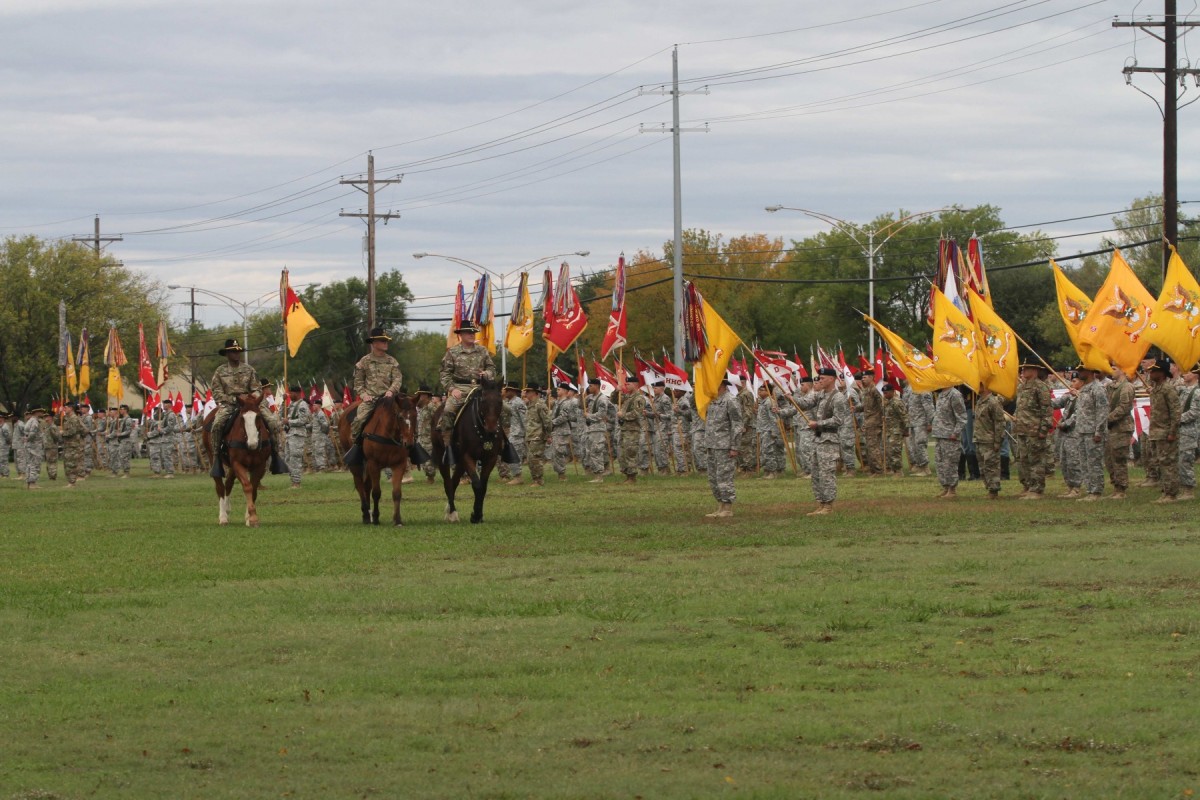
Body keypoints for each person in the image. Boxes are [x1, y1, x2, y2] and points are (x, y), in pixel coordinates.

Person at [210, 338, 285, 473]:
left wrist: (250, 398)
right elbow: (216, 392)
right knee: (217, 424)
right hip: (230, 405)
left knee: (273, 422)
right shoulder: (219, 371)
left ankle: (275, 454)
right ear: (227, 354)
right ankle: (216, 457)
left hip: (252, 403)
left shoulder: (249, 369)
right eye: (233, 352)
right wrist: (235, 399)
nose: (236, 354)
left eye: (238, 351)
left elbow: (257, 388)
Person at [438, 322, 497, 459]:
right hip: (461, 388)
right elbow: (444, 374)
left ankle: (504, 443)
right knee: (447, 410)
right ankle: (448, 446)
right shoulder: (452, 352)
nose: (472, 334)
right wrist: (452, 389)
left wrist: (487, 374)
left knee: (504, 408)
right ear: (461, 335)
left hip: (481, 388)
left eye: (473, 332)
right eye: (468, 332)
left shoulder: (482, 350)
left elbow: (492, 368)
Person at [345, 328, 403, 465]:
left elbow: (398, 379)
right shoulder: (363, 362)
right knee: (358, 420)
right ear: (374, 343)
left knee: (406, 419)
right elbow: (358, 383)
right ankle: (357, 447)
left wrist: (391, 391)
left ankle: (410, 447)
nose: (385, 343)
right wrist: (364, 395)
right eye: (382, 341)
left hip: (389, 398)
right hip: (371, 399)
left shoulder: (392, 361)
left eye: (386, 341)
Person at [808, 367, 849, 516]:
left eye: (823, 378)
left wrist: (818, 424)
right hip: (818, 439)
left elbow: (838, 420)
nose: (820, 380)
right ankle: (821, 503)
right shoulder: (820, 395)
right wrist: (790, 398)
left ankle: (828, 506)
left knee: (826, 474)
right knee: (816, 473)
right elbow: (806, 403)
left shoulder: (838, 397)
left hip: (829, 440)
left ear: (832, 379)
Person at [703, 379, 743, 518]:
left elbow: (737, 424)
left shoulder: (730, 400)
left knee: (724, 477)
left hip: (725, 446)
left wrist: (734, 446)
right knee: (713, 478)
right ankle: (720, 506)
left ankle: (727, 508)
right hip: (712, 444)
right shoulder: (713, 401)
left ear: (722, 385)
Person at [1013, 361, 1053, 499]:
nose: (1023, 371)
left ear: (1034, 370)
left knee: (1036, 459)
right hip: (1022, 429)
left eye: (1026, 368)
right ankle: (1028, 485)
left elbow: (1047, 410)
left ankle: (1037, 489)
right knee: (1023, 459)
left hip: (1034, 429)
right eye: (1022, 369)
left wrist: (1043, 430)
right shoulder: (1021, 387)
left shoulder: (1040, 387)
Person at [1146, 358, 1181, 503]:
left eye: (1154, 371)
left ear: (1162, 373)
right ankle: (1165, 490)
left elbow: (1175, 412)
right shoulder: (1156, 389)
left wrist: (1172, 432)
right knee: (1160, 462)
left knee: (1168, 463)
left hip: (1166, 432)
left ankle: (1171, 494)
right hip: (1157, 432)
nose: (1150, 373)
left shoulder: (1167, 389)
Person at [1074, 365, 1109, 502]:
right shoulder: (1083, 389)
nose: (1079, 373)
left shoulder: (1097, 388)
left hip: (1092, 432)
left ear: (1090, 371)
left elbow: (1102, 411)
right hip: (1082, 431)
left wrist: (1098, 431)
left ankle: (1096, 491)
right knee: (1084, 463)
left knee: (1094, 463)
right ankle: (1089, 489)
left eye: (1082, 370)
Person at [1104, 363, 1135, 499]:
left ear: (1123, 370)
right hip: (1111, 427)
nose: (1111, 371)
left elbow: (1123, 407)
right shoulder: (1111, 387)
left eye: (1115, 368)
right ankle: (1115, 485)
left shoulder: (1127, 387)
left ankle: (1121, 489)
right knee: (1109, 459)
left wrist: (1107, 419)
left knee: (1119, 458)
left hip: (1122, 427)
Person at [931, 386, 967, 498]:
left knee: (950, 463)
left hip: (950, 435)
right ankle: (945, 487)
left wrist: (955, 432)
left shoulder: (954, 394)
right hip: (939, 434)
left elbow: (961, 417)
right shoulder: (941, 394)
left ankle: (952, 490)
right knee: (940, 463)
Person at [973, 383, 1006, 499]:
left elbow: (999, 422)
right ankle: (989, 488)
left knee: (991, 466)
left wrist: (997, 441)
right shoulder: (980, 401)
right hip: (980, 439)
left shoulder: (993, 402)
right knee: (983, 467)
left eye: (980, 384)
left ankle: (994, 491)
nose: (977, 386)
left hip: (990, 440)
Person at [616, 374, 647, 484]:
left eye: (628, 384)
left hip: (632, 430)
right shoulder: (627, 397)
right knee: (621, 453)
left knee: (630, 452)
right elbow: (614, 399)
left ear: (635, 384)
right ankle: (627, 474)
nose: (626, 386)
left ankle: (632, 477)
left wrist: (623, 415)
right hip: (624, 429)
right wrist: (616, 391)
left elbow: (636, 413)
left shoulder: (639, 398)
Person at [582, 378, 613, 482]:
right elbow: (580, 405)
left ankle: (599, 476)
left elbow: (602, 414)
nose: (589, 387)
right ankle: (596, 474)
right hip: (591, 429)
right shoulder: (590, 397)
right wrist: (582, 396)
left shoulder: (602, 399)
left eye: (591, 386)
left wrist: (589, 416)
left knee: (596, 451)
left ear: (596, 386)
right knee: (591, 452)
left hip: (598, 429)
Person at [1177, 366, 1200, 500]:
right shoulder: (1184, 390)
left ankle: (1188, 490)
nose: (1184, 374)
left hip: (1189, 431)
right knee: (1179, 460)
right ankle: (1182, 486)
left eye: (1189, 372)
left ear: (1196, 375)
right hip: (1180, 430)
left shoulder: (1197, 392)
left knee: (1186, 460)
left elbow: (1195, 412)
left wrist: (1177, 419)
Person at [903, 381, 934, 476]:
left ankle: (926, 468)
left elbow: (928, 407)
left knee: (920, 444)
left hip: (921, 422)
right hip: (912, 422)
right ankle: (920, 466)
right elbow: (906, 404)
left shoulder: (923, 387)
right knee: (913, 445)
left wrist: (930, 422)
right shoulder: (910, 388)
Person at [856, 366, 884, 475]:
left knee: (873, 447)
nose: (863, 379)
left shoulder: (875, 389)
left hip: (874, 421)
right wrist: (857, 408)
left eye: (865, 377)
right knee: (868, 446)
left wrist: (882, 417)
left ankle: (878, 470)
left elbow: (882, 404)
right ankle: (873, 469)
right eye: (862, 377)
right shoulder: (866, 390)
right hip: (867, 421)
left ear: (872, 377)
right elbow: (867, 406)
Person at [755, 383, 786, 479]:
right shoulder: (763, 402)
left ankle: (772, 472)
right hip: (763, 430)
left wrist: (774, 432)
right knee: (764, 452)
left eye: (762, 390)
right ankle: (767, 471)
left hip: (769, 430)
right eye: (759, 389)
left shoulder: (769, 402)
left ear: (768, 392)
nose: (760, 391)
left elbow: (774, 418)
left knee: (769, 452)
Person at [499, 382, 526, 484]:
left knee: (515, 455)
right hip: (513, 432)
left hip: (518, 433)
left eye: (507, 390)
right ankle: (516, 476)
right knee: (512, 454)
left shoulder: (518, 402)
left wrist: (526, 433)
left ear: (513, 391)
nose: (505, 391)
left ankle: (518, 477)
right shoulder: (510, 402)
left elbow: (524, 419)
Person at [284, 384, 311, 488]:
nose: (290, 394)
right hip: (290, 434)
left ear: (297, 393)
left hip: (297, 434)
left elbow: (303, 420)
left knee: (295, 458)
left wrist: (289, 422)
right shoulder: (291, 404)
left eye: (291, 393)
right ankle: (293, 479)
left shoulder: (302, 405)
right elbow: (283, 414)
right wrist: (283, 402)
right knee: (288, 458)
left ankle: (296, 482)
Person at [523, 383, 550, 487]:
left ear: (534, 392)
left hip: (538, 436)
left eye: (528, 391)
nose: (526, 393)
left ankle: (539, 480)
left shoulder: (540, 405)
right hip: (530, 435)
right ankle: (535, 479)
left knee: (535, 458)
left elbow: (547, 421)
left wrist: (548, 435)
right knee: (530, 459)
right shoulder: (530, 405)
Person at [881, 382, 909, 476]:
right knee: (889, 451)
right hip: (889, 430)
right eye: (884, 393)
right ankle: (893, 470)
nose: (885, 395)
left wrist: (906, 430)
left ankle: (899, 471)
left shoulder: (897, 402)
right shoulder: (887, 402)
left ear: (893, 392)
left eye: (887, 393)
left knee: (895, 451)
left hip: (896, 431)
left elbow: (904, 417)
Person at [60, 403, 88, 486]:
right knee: (68, 463)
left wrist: (62, 433)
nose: (64, 409)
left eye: (66, 407)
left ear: (71, 408)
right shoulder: (67, 418)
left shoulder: (74, 418)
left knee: (71, 463)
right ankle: (71, 481)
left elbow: (73, 431)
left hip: (73, 444)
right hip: (69, 444)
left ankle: (72, 482)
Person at [414, 386, 438, 483]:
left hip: (429, 438)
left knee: (428, 460)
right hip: (421, 437)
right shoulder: (421, 408)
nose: (418, 398)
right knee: (423, 460)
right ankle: (429, 476)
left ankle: (431, 477)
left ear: (425, 396)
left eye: (420, 395)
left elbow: (438, 419)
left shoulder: (431, 406)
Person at [21, 407, 46, 489]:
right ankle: (32, 483)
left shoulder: (29, 421)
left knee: (29, 464)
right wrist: (28, 439)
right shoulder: (35, 422)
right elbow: (32, 434)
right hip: (35, 446)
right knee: (35, 464)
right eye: (41, 411)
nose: (42, 413)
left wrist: (26, 439)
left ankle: (29, 482)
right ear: (37, 412)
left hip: (29, 446)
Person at [0, 411, 12, 479]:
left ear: (4, 418)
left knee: (4, 460)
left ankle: (5, 474)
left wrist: (8, 444)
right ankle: (1, 473)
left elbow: (8, 437)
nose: (0, 419)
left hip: (4, 446)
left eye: (1, 417)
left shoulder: (5, 427)